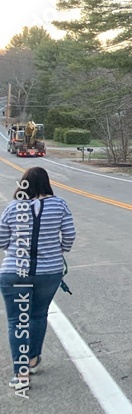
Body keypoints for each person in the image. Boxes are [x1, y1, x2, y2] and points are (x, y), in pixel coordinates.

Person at [0, 167, 76, 392]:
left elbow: (2, 239)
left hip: (14, 271)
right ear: (46, 183)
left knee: (17, 321)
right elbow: (69, 235)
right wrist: (57, 251)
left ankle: (21, 374)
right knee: (38, 314)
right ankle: (32, 359)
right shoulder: (60, 205)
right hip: (49, 271)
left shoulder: (13, 207)